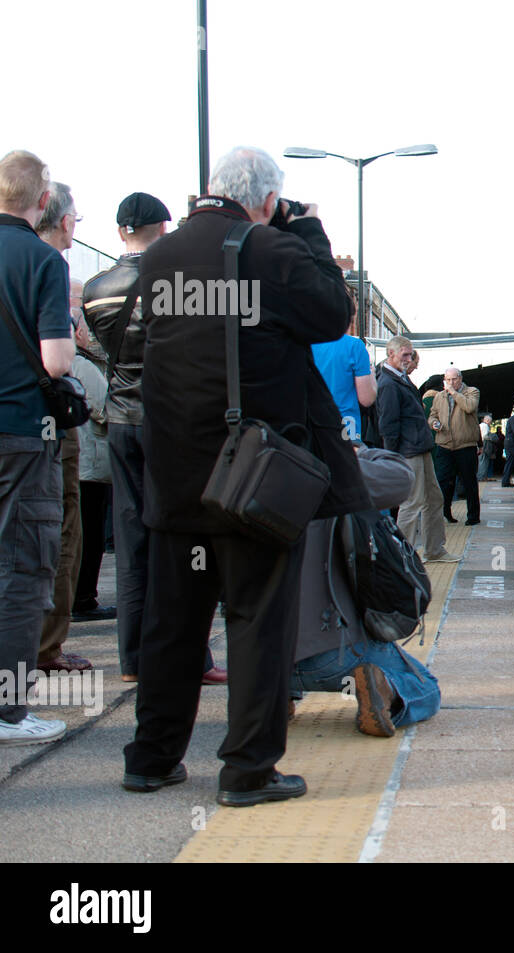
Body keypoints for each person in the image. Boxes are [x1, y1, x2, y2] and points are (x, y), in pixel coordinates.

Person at [122, 146, 368, 806]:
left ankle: (151, 758)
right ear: (265, 201)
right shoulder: (271, 252)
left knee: (173, 625)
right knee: (257, 622)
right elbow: (330, 315)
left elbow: (136, 348)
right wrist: (307, 228)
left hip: (175, 480)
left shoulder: (159, 258)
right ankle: (247, 771)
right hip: (252, 481)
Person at [85, 192, 225, 685]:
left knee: (131, 540)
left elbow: (108, 352)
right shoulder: (180, 284)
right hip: (172, 422)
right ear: (166, 229)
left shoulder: (94, 289)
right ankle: (194, 656)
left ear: (121, 231)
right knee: (189, 539)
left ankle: (133, 659)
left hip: (122, 421)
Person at [0, 150, 73, 745]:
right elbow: (55, 359)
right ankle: (7, 711)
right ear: (41, 200)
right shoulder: (41, 261)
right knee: (23, 571)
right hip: (24, 435)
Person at [293, 447, 440, 736]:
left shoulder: (245, 468)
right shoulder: (333, 471)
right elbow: (401, 478)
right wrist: (355, 452)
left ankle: (278, 698)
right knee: (426, 688)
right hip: (332, 656)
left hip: (259, 659)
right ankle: (386, 686)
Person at [33, 183, 92, 674]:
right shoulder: (48, 265)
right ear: (61, 220)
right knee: (60, 527)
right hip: (45, 422)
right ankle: (46, 646)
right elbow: (57, 361)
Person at [376, 335, 457, 563]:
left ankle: (434, 549)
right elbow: (388, 425)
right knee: (412, 503)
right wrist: (392, 458)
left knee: (433, 499)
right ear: (390, 354)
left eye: (410, 354)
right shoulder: (388, 383)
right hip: (408, 451)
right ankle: (404, 557)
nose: (409, 359)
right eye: (404, 354)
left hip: (419, 447)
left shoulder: (399, 378)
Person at [70, 294, 115, 621]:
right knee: (90, 535)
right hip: (91, 464)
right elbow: (106, 408)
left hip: (81, 462)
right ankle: (84, 598)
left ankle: (79, 597)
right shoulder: (82, 365)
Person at [310, 288, 375, 444]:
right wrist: (372, 377)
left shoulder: (304, 344)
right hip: (346, 426)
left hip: (311, 424)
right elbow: (366, 399)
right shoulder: (355, 346)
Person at [427, 366, 481, 526]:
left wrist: (453, 393)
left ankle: (473, 516)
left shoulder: (472, 392)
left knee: (469, 482)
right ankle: (445, 513)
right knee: (444, 482)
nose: (450, 382)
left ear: (460, 378)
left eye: (454, 379)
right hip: (444, 445)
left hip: (465, 446)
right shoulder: (439, 397)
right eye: (448, 380)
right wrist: (434, 423)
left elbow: (469, 407)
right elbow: (432, 415)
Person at [476, 413, 493, 480]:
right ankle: (481, 477)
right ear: (488, 421)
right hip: (484, 446)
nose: (490, 424)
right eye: (490, 422)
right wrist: (491, 438)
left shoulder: (480, 425)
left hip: (479, 445)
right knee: (483, 462)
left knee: (480, 461)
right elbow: (485, 436)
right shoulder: (485, 426)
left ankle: (480, 476)